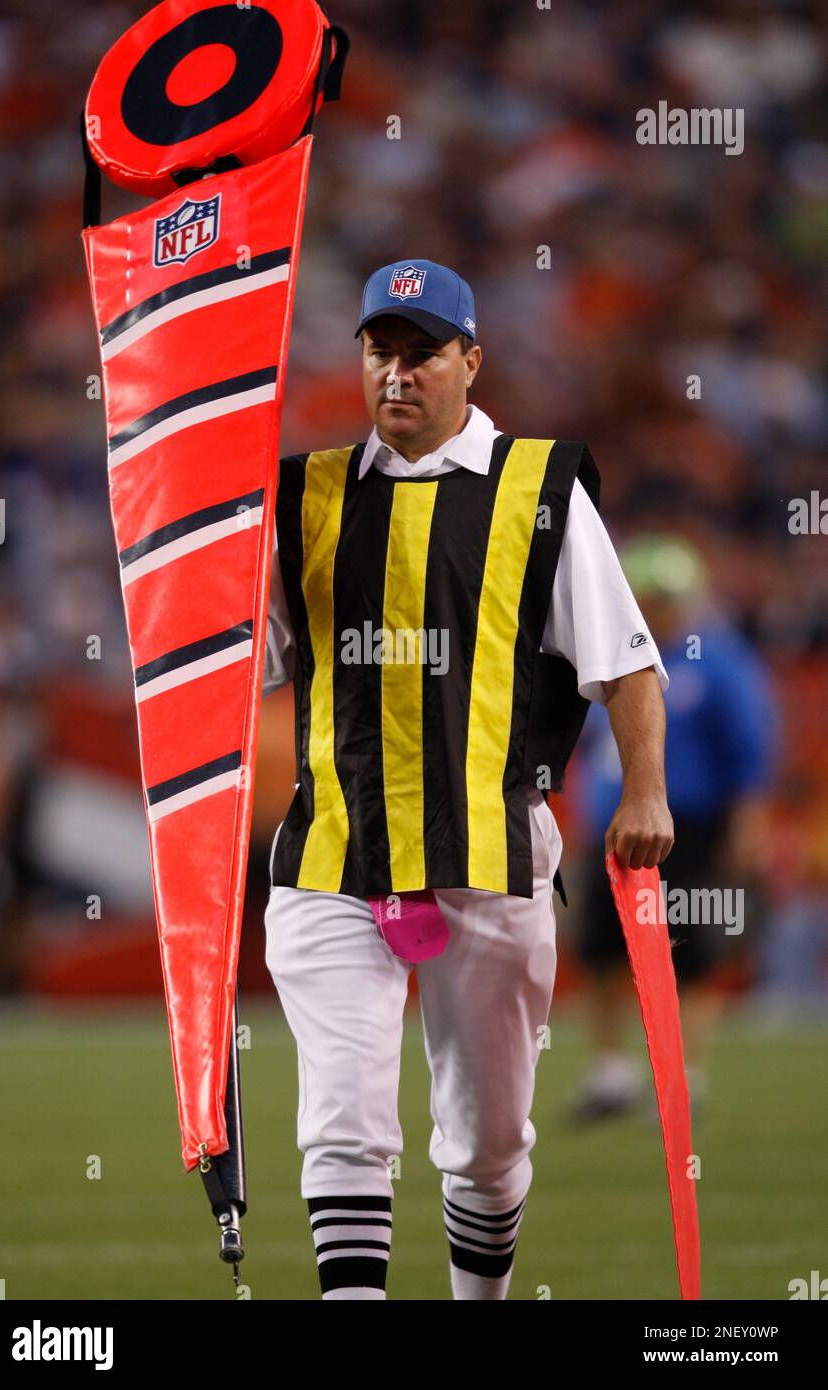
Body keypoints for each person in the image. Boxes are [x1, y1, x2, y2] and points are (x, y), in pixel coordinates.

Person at [260, 259, 674, 1300]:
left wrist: (645, 792)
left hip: (490, 850)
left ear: (468, 360)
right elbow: (230, 668)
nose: (396, 375)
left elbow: (620, 660)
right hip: (333, 852)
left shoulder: (536, 492)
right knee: (343, 1116)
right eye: (378, 352)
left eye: (421, 354)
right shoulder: (298, 499)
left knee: (487, 1143)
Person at [568, 535, 777, 1123]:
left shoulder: (718, 659)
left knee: (694, 945)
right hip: (613, 826)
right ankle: (612, 1073)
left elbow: (749, 744)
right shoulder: (606, 657)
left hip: (692, 825)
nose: (654, 607)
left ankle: (683, 1073)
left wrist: (749, 818)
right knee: (601, 946)